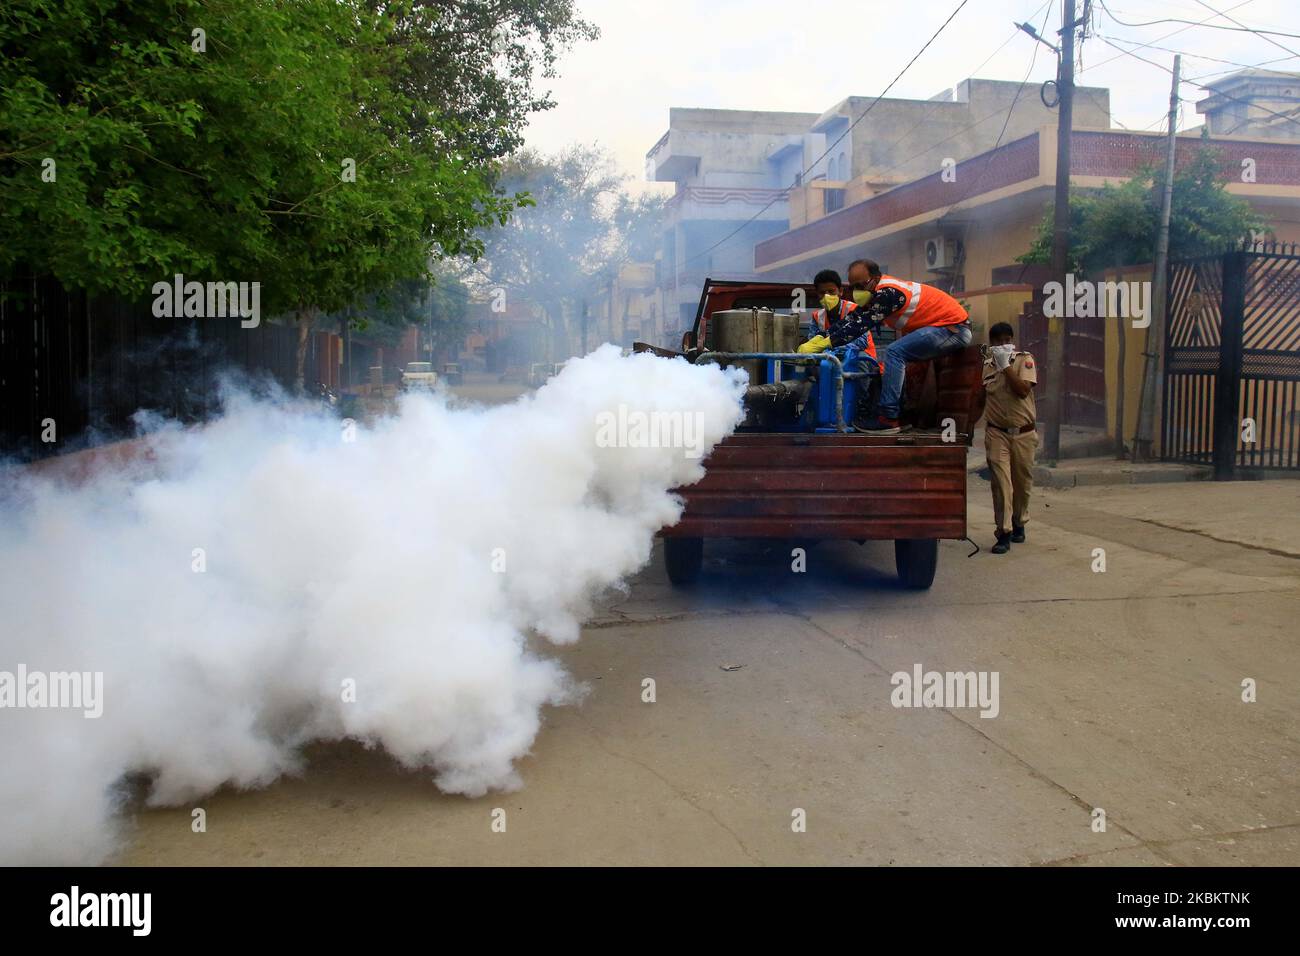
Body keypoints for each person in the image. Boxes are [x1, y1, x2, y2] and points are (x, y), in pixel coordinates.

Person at [826, 258, 972, 433]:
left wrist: (828, 343)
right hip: (944, 329)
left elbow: (859, 325)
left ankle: (888, 418)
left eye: (860, 285)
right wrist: (821, 337)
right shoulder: (875, 294)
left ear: (875, 278)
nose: (857, 292)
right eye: (853, 287)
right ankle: (901, 412)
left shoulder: (889, 294)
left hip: (953, 329)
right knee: (896, 359)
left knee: (894, 352)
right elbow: (851, 319)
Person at [979, 321, 1038, 554]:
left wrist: (1006, 367)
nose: (1004, 344)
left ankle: (1018, 521)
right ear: (992, 343)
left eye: (1007, 340)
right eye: (999, 341)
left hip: (1023, 433)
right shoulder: (985, 365)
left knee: (1022, 484)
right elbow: (979, 398)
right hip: (996, 433)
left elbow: (1023, 390)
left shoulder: (1025, 360)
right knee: (1002, 484)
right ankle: (1003, 532)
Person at [799, 269, 878, 376]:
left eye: (831, 291)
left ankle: (859, 393)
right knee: (809, 361)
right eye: (822, 293)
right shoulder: (817, 316)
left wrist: (830, 347)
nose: (826, 296)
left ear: (840, 291)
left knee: (858, 359)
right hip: (830, 356)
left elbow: (861, 343)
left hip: (863, 357)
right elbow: (812, 340)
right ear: (817, 294)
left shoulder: (855, 310)